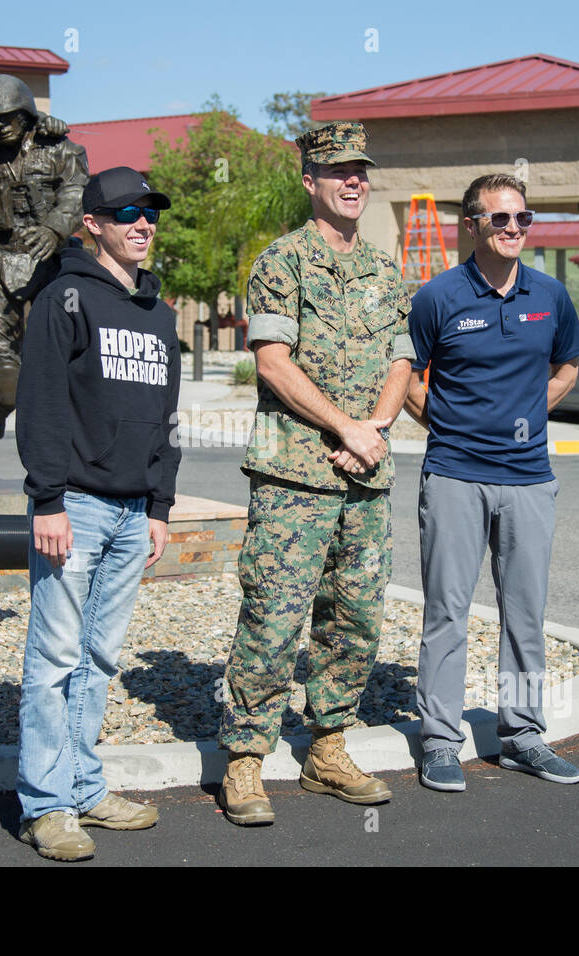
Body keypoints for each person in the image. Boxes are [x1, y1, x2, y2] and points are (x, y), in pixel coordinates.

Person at [216, 121, 413, 826]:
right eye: (338, 171)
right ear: (310, 181)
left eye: (360, 169)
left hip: (365, 474)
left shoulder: (388, 270)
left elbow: (400, 361)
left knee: (355, 620)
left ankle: (327, 748)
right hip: (296, 476)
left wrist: (378, 429)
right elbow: (274, 362)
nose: (352, 180)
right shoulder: (282, 262)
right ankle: (245, 758)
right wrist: (346, 427)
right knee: (272, 618)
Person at [13, 166, 179, 861]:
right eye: (127, 213)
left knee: (98, 658)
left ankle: (84, 785)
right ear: (93, 224)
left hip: (133, 511)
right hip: (74, 507)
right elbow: (43, 403)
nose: (143, 224)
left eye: (150, 213)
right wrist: (47, 498)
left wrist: (160, 506)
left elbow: (166, 420)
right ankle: (46, 805)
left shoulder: (159, 313)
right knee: (54, 657)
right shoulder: (65, 299)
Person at [405, 173, 579, 793]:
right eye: (501, 219)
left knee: (526, 613)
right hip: (455, 473)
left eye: (523, 219)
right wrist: (448, 423)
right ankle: (439, 739)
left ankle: (523, 735)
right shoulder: (438, 297)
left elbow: (568, 362)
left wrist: (535, 409)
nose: (515, 229)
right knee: (448, 611)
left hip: (530, 477)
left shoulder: (551, 295)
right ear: (472, 225)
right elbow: (406, 374)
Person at [0, 74, 88, 485]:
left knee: (66, 376)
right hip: (0, 267)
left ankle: (66, 468)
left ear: (27, 114)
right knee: (8, 378)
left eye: (12, 116)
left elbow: (77, 191)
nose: (2, 125)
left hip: (53, 267)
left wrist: (54, 228)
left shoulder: (61, 150)